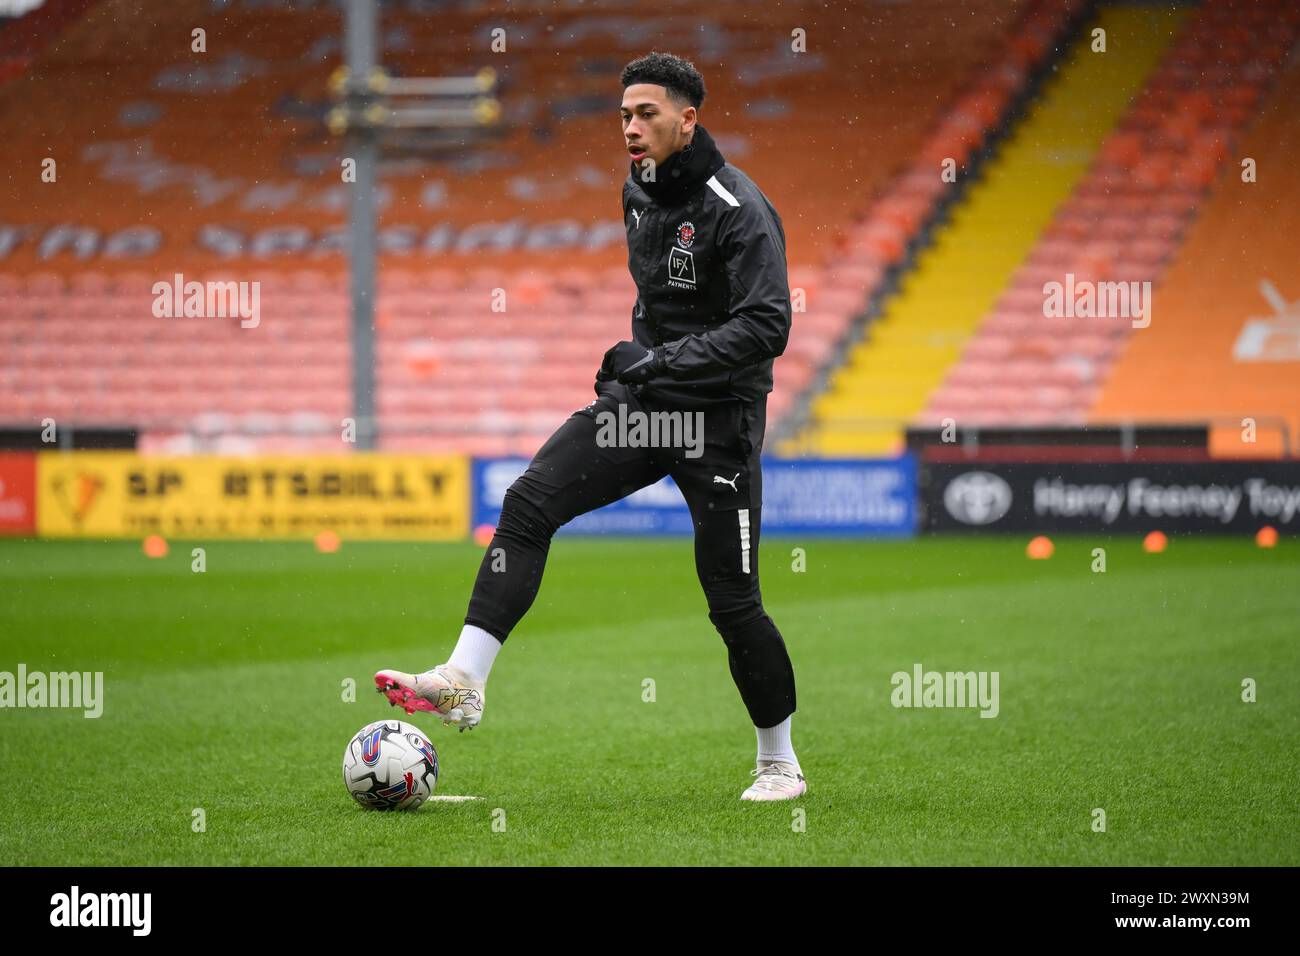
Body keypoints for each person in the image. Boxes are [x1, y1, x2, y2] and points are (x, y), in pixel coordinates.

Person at [377, 52, 804, 801]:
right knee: (527, 503)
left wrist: (657, 364)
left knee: (733, 604)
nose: (632, 129)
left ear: (687, 119)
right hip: (644, 414)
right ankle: (464, 679)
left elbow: (767, 326)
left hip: (719, 429)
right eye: (624, 116)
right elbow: (664, 305)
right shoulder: (637, 193)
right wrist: (634, 371)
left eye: (646, 114)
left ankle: (779, 762)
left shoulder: (736, 207)